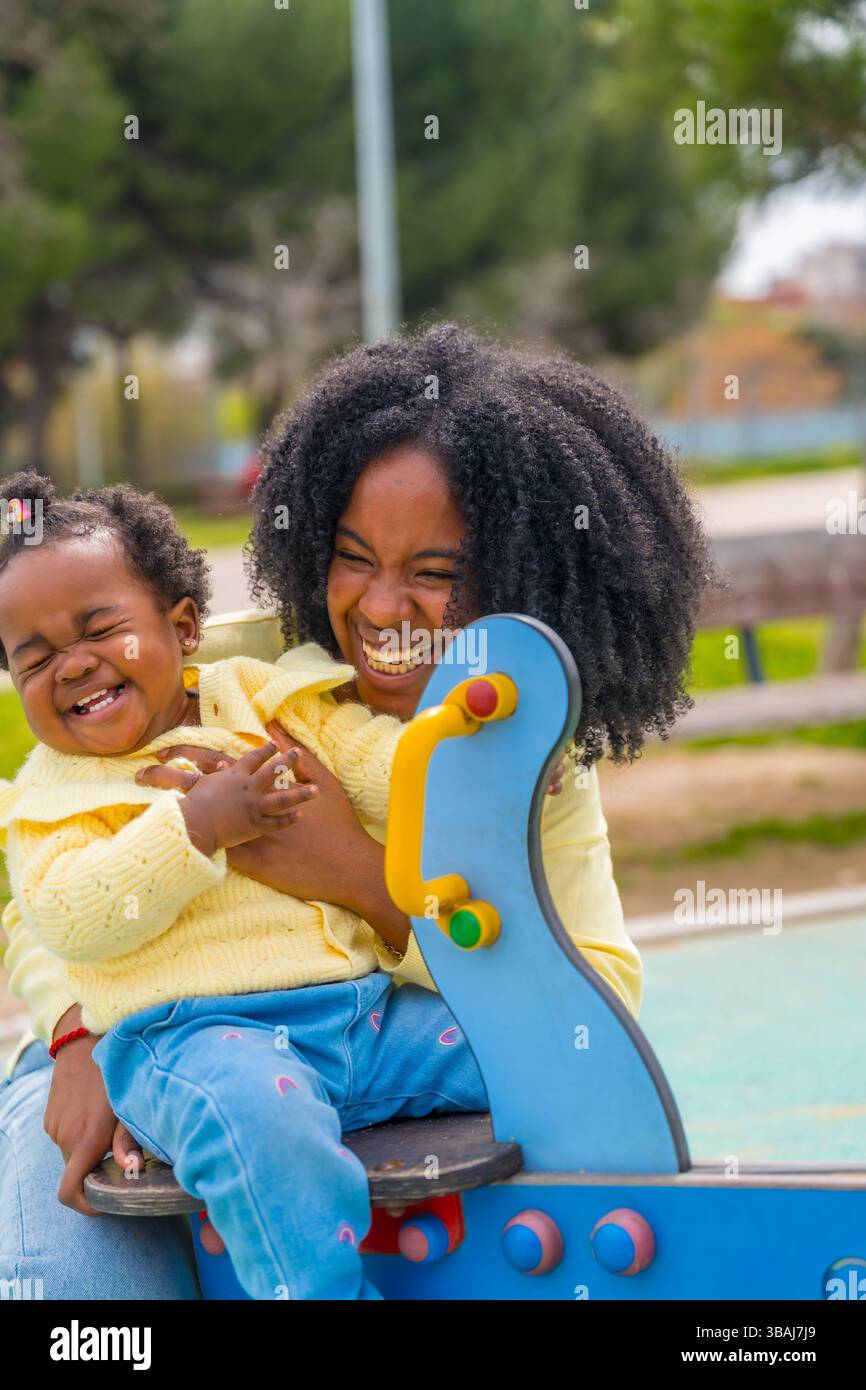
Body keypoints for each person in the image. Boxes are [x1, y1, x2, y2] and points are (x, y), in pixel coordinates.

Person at [1, 323, 710, 1299]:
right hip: (140, 1041)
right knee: (91, 1285)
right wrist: (76, 1035)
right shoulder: (219, 672)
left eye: (436, 573)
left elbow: (592, 1010)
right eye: (351, 558)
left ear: (528, 579)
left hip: (352, 1044)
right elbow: (36, 863)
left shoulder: (530, 763)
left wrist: (366, 884)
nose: (381, 609)